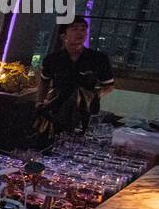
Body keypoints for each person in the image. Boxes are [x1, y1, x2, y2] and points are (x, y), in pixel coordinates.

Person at [34, 16, 115, 144]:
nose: (80, 33)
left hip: (85, 111)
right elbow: (44, 81)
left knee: (77, 145)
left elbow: (109, 86)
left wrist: (93, 95)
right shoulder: (53, 59)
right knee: (50, 143)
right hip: (55, 109)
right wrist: (39, 102)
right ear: (63, 36)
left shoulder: (98, 58)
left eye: (83, 29)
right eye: (75, 29)